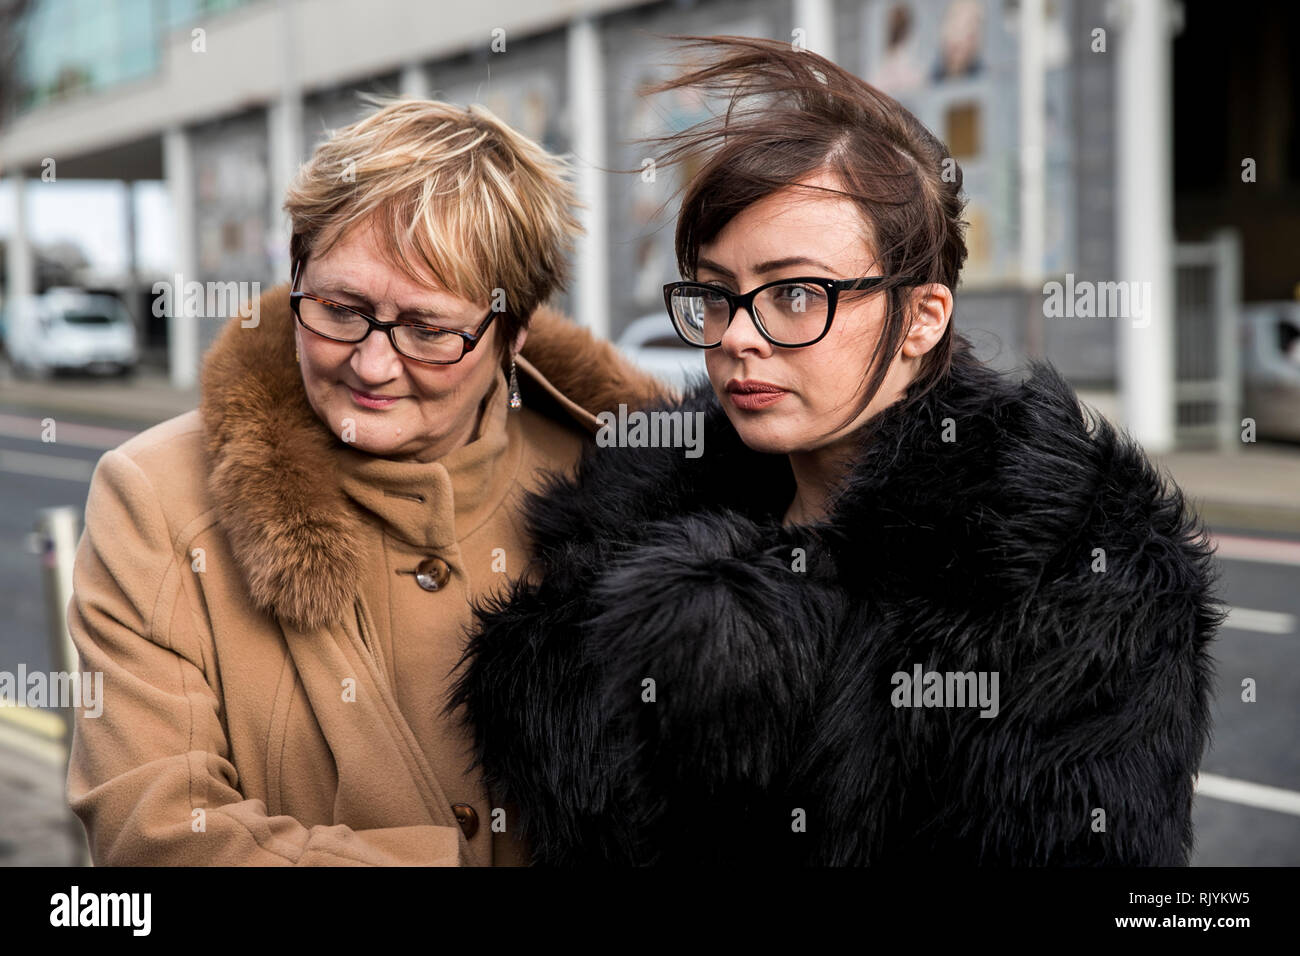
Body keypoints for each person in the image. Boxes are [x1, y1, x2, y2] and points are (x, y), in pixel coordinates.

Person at [448, 37, 1225, 866]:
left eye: (794, 294)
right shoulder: (636, 526)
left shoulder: (1067, 582)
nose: (739, 338)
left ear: (922, 318)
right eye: (715, 294)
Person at [65, 97, 666, 866]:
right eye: (340, 309)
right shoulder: (153, 498)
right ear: (294, 276)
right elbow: (153, 833)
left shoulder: (630, 478)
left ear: (511, 334)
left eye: (427, 331)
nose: (373, 365)